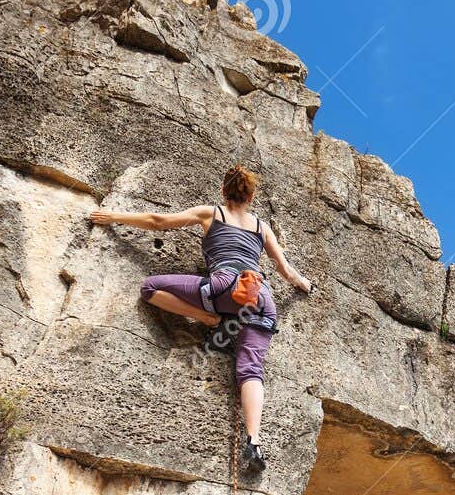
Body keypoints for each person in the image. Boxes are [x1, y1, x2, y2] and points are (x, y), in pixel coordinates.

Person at [90, 165, 313, 471]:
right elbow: (287, 272)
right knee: (251, 370)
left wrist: (113, 216)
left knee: (149, 288)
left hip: (223, 289)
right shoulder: (262, 227)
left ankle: (208, 320)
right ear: (251, 196)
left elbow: (159, 222)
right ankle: (254, 443)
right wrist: (305, 285)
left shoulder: (211, 213)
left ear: (225, 191)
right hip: (259, 298)